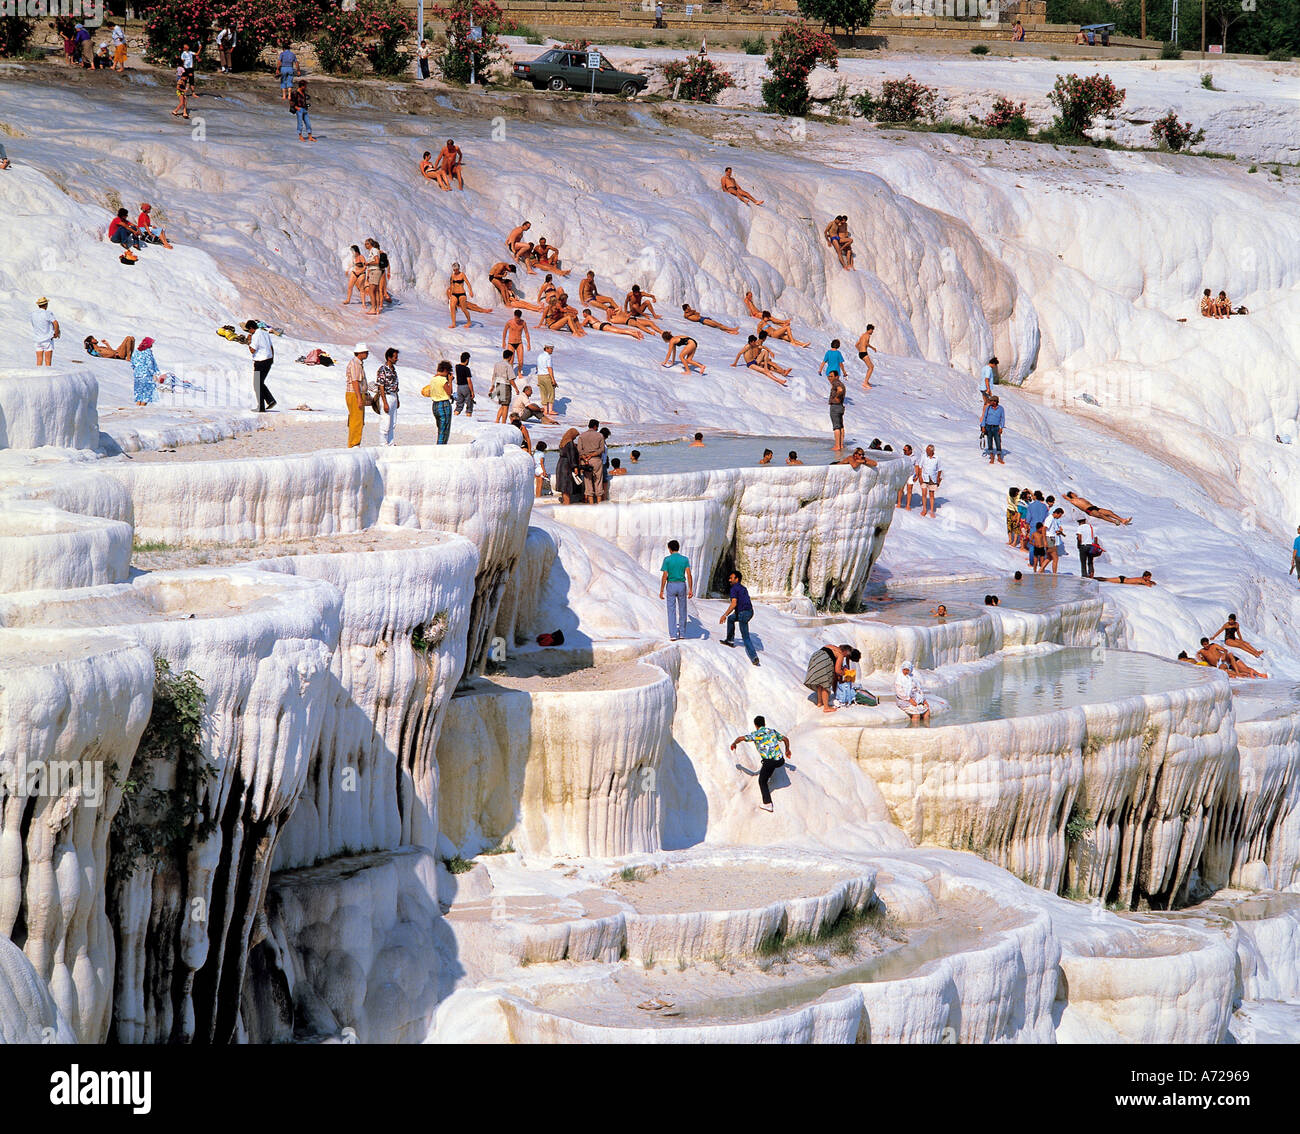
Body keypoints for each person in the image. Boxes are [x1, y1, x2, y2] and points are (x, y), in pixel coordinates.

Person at [730, 716, 790, 812]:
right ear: (764, 723)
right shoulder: (772, 731)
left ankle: (767, 804)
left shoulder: (755, 735)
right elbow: (786, 739)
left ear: (756, 725)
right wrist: (787, 750)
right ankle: (769, 775)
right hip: (780, 761)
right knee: (770, 764)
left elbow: (741, 738)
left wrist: (734, 743)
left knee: (762, 781)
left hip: (769, 762)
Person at [718, 570, 759, 665]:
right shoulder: (743, 588)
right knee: (731, 618)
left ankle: (754, 657)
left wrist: (724, 615)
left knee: (745, 637)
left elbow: (734, 604)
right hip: (750, 612)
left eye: (731, 578)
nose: (729, 580)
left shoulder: (734, 588)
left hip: (743, 614)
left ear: (737, 579)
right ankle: (730, 640)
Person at [804, 644, 859, 713]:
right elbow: (837, 671)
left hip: (815, 657)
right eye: (846, 656)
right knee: (825, 684)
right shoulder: (840, 654)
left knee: (820, 681)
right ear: (845, 652)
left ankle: (819, 702)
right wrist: (846, 673)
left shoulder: (832, 647)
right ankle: (826, 707)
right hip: (823, 661)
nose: (844, 657)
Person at [659, 540, 693, 641]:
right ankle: (682, 633)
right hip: (682, 585)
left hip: (671, 585)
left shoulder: (667, 559)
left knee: (671, 610)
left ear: (670, 549)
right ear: (678, 548)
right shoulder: (684, 559)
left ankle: (673, 634)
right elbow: (689, 575)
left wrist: (661, 590)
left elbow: (665, 575)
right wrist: (690, 589)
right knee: (683, 609)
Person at [245, 320, 276, 412]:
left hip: (260, 361)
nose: (248, 332)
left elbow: (252, 350)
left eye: (248, 330)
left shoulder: (255, 336)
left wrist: (249, 341)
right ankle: (270, 400)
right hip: (268, 360)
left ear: (251, 328)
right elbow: (271, 347)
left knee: (257, 384)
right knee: (260, 382)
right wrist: (272, 358)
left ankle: (261, 407)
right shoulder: (265, 333)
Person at [1196, 638, 1267, 678]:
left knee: (1243, 666)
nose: (1207, 646)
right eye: (1205, 645)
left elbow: (1225, 650)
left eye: (1207, 643)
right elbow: (1198, 656)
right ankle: (1245, 674)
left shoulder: (1214, 645)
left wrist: (1224, 654)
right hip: (1222, 664)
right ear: (1202, 645)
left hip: (1227, 659)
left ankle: (1259, 674)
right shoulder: (1202, 651)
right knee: (1242, 669)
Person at [448, 262, 489, 329]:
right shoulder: (452, 276)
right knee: (452, 308)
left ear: (459, 268)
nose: (455, 271)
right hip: (454, 294)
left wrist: (470, 291)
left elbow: (468, 283)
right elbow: (452, 285)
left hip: (462, 294)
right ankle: (453, 323)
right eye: (454, 270)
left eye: (456, 269)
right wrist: (450, 294)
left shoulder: (462, 275)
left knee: (464, 309)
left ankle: (469, 321)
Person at [577, 419, 608, 504]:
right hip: (596, 460)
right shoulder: (600, 436)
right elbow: (601, 449)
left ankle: (591, 503)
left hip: (585, 461)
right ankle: (599, 503)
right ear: (595, 426)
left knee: (588, 482)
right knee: (598, 481)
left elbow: (579, 450)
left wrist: (585, 457)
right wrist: (593, 454)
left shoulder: (582, 436)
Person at [130, 337, 168, 404]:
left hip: (137, 375)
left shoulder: (136, 352)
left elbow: (132, 363)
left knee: (139, 394)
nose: (152, 345)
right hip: (146, 375)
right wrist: (154, 374)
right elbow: (149, 364)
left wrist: (137, 370)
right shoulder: (147, 352)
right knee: (146, 394)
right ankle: (141, 411)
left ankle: (138, 410)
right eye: (151, 343)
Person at [375, 347, 400, 445]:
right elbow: (381, 386)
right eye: (395, 357)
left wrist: (397, 399)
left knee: (392, 422)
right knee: (385, 421)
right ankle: (383, 443)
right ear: (389, 358)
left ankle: (390, 443)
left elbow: (395, 385)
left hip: (393, 396)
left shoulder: (393, 370)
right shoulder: (383, 370)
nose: (396, 359)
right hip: (386, 396)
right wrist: (385, 402)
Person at [346, 344, 368, 448]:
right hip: (355, 394)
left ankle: (354, 443)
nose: (367, 354)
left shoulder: (358, 363)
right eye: (365, 352)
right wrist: (359, 397)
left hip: (357, 394)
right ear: (360, 353)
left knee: (356, 419)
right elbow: (355, 381)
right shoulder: (355, 364)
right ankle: (354, 443)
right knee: (357, 420)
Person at [1063, 491, 1132, 525]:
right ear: (1071, 495)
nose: (1075, 493)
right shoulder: (1073, 500)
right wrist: (1065, 496)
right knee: (1100, 515)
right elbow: (1066, 498)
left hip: (1094, 507)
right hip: (1088, 510)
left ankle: (1122, 520)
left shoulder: (1080, 498)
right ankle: (1114, 521)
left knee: (1109, 512)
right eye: (1073, 493)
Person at [429, 359, 454, 443]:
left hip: (435, 405)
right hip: (444, 405)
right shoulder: (442, 380)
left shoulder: (433, 379)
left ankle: (439, 447)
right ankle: (440, 449)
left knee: (440, 428)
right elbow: (449, 392)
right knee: (444, 430)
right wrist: (450, 381)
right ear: (445, 370)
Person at [554, 428, 581, 505]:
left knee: (563, 486)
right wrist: (575, 467)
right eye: (575, 436)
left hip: (561, 464)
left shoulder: (562, 442)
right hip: (567, 465)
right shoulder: (570, 443)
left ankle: (565, 502)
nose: (575, 438)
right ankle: (567, 503)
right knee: (567, 486)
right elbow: (571, 456)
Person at [30, 297, 59, 366]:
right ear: (46, 304)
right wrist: (56, 333)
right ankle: (48, 376)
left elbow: (33, 324)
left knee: (39, 361)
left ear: (38, 305)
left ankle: (39, 375)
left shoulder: (33, 314)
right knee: (48, 361)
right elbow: (55, 323)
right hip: (47, 339)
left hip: (37, 339)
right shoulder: (47, 313)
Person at [503, 309, 531, 377]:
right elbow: (505, 331)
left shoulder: (523, 323)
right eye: (516, 318)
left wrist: (528, 344)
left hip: (519, 343)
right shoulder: (509, 322)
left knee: (521, 361)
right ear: (514, 316)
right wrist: (503, 341)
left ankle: (519, 372)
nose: (517, 320)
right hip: (511, 343)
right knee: (511, 361)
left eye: (518, 318)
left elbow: (526, 333)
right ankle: (510, 374)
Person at [492, 350, 517, 423]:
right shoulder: (508, 365)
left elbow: (494, 375)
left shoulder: (497, 364)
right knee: (506, 406)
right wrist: (516, 388)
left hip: (498, 385)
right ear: (510, 357)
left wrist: (492, 385)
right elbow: (511, 379)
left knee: (503, 405)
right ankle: (503, 422)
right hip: (505, 386)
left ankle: (497, 420)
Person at [918, 444, 941, 518]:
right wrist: (920, 477)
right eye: (926, 450)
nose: (926, 452)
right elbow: (920, 466)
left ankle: (931, 510)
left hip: (932, 478)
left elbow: (939, 469)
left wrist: (938, 479)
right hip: (924, 477)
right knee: (924, 493)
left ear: (932, 451)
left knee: (931, 494)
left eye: (928, 450)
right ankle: (924, 509)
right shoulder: (923, 456)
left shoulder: (937, 458)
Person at [535, 343, 559, 416]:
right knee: (551, 391)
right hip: (546, 376)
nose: (552, 350)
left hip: (540, 376)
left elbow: (537, 367)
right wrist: (553, 379)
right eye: (551, 349)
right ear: (547, 348)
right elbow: (549, 368)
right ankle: (550, 410)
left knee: (543, 392)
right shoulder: (548, 357)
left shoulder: (539, 356)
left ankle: (545, 410)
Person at [981, 396, 1006, 464]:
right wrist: (983, 426)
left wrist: (1001, 428)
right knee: (989, 442)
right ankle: (992, 457)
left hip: (996, 428)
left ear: (995, 402)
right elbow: (984, 417)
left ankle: (999, 457)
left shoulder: (1001, 409)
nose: (990, 402)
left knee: (998, 442)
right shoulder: (988, 408)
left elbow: (1002, 418)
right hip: (988, 427)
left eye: (991, 401)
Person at [828, 371, 846, 452]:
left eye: (831, 376)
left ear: (837, 376)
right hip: (840, 407)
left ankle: (837, 445)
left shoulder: (836, 383)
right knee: (841, 426)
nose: (830, 378)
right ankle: (841, 444)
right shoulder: (841, 383)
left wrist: (837, 397)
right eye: (829, 376)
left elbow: (840, 389)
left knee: (836, 427)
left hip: (835, 406)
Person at [855, 324, 878, 389]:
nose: (872, 332)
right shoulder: (867, 335)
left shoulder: (862, 335)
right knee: (871, 367)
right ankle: (865, 383)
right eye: (872, 330)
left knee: (870, 367)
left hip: (861, 353)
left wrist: (860, 351)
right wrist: (873, 348)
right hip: (864, 353)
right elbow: (866, 343)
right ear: (870, 330)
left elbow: (856, 345)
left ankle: (866, 381)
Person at [1045, 507, 1066, 574]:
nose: (1060, 517)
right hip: (1049, 538)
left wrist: (1057, 532)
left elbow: (1050, 529)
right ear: (1057, 513)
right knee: (1055, 558)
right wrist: (1045, 540)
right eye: (1060, 515)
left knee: (1049, 557)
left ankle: (1041, 570)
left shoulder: (1053, 519)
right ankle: (1054, 574)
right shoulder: (1050, 518)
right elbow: (1044, 528)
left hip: (1051, 538)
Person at [453, 351, 475, 416]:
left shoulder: (457, 367)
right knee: (469, 404)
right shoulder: (466, 369)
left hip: (459, 387)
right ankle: (469, 418)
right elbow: (469, 381)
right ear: (467, 360)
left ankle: (455, 415)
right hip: (466, 387)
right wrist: (472, 392)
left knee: (459, 404)